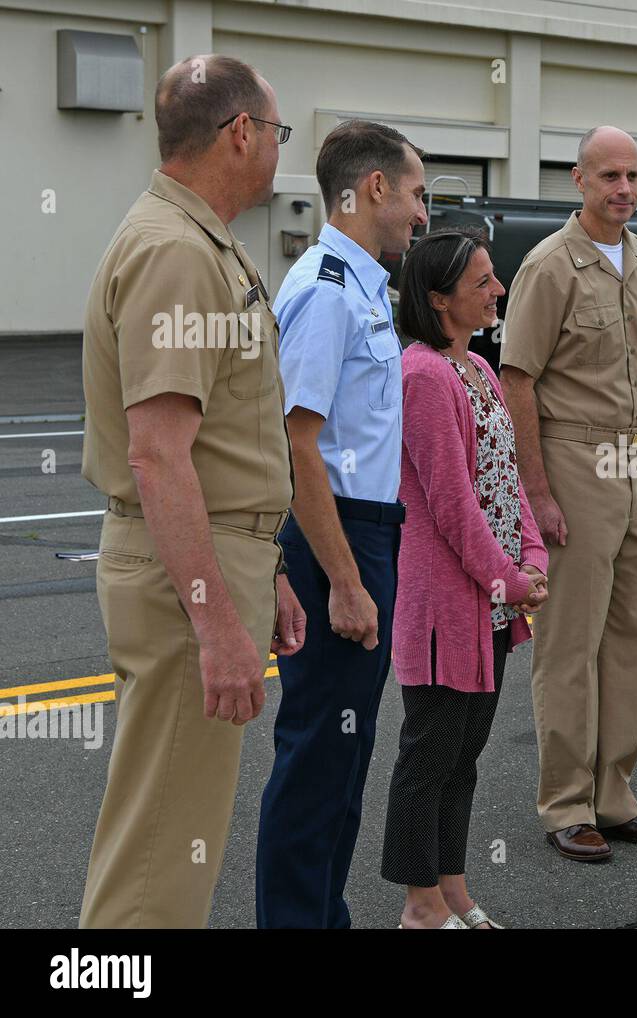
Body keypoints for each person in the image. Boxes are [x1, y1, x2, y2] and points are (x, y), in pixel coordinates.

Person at [79, 54, 302, 928]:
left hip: (212, 561)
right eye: (277, 132)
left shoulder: (195, 239)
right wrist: (215, 623)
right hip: (188, 586)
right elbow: (160, 457)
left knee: (163, 833)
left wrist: (264, 563)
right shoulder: (176, 252)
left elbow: (217, 444)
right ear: (240, 132)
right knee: (160, 860)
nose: (279, 149)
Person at [256, 120, 428, 928]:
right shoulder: (325, 289)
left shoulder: (361, 282)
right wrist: (349, 581)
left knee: (346, 755)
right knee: (319, 754)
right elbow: (298, 446)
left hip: (366, 527)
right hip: (338, 537)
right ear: (376, 190)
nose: (423, 216)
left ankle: (324, 914)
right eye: (418, 194)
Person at [499, 126, 637, 863]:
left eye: (632, 175)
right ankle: (566, 803)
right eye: (608, 175)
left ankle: (616, 795)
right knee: (570, 644)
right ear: (578, 180)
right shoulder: (550, 266)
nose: (624, 189)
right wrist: (536, 490)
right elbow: (518, 380)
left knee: (631, 638)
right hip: (576, 461)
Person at [381, 229, 549, 929]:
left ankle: (452, 889)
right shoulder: (422, 375)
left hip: (492, 597)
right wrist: (506, 578)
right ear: (438, 298)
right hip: (447, 598)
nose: (498, 290)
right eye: (483, 281)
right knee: (429, 757)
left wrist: (531, 561)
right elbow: (450, 503)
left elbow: (505, 482)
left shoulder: (478, 367)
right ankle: (419, 906)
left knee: (464, 758)